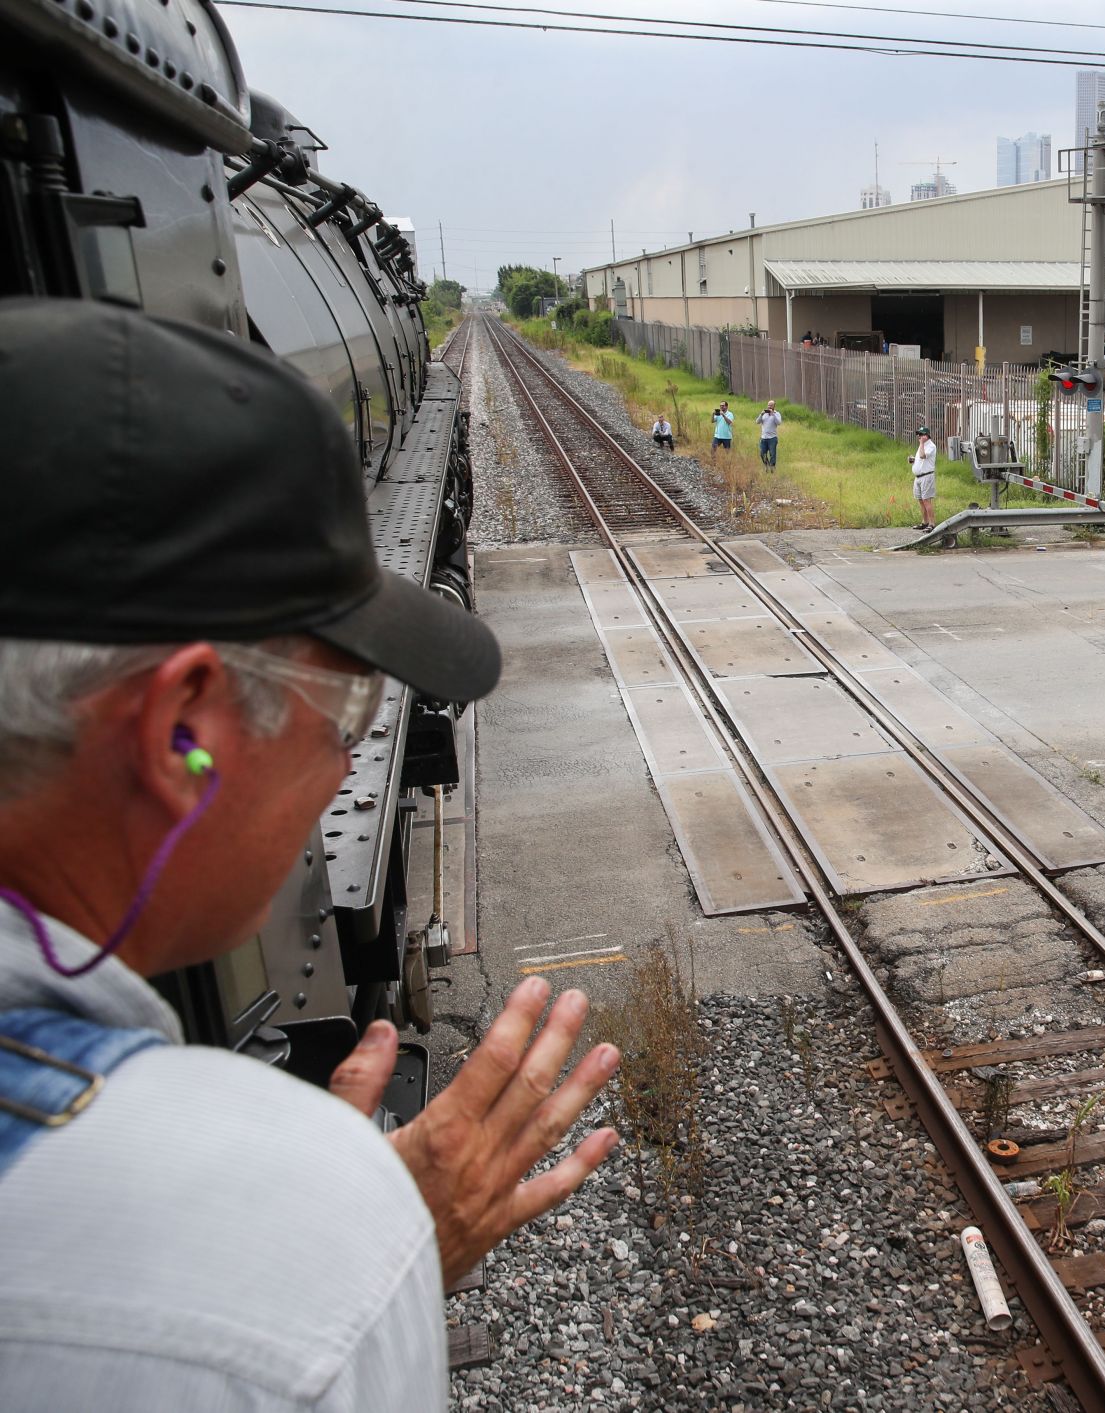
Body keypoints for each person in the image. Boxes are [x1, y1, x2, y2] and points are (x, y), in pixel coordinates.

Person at [0, 298, 619, 1408]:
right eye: (344, 715)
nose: (343, 768)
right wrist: (342, 1260)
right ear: (181, 731)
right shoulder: (241, 1272)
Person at [910, 426, 939, 532]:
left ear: (927, 436)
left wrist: (921, 443)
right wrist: (913, 460)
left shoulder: (930, 446)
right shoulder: (922, 445)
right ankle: (924, 522)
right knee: (921, 500)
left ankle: (932, 524)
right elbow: (920, 459)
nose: (919, 436)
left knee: (926, 500)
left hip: (926, 476)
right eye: (918, 434)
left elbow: (923, 456)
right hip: (918, 477)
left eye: (921, 434)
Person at [756, 400, 782, 468]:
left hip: (772, 438)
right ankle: (766, 465)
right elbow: (757, 422)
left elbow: (779, 423)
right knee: (762, 454)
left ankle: (772, 467)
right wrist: (761, 414)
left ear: (774, 406)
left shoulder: (777, 414)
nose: (769, 406)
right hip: (763, 438)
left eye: (771, 405)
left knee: (772, 454)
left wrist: (773, 414)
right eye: (768, 405)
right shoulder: (764, 414)